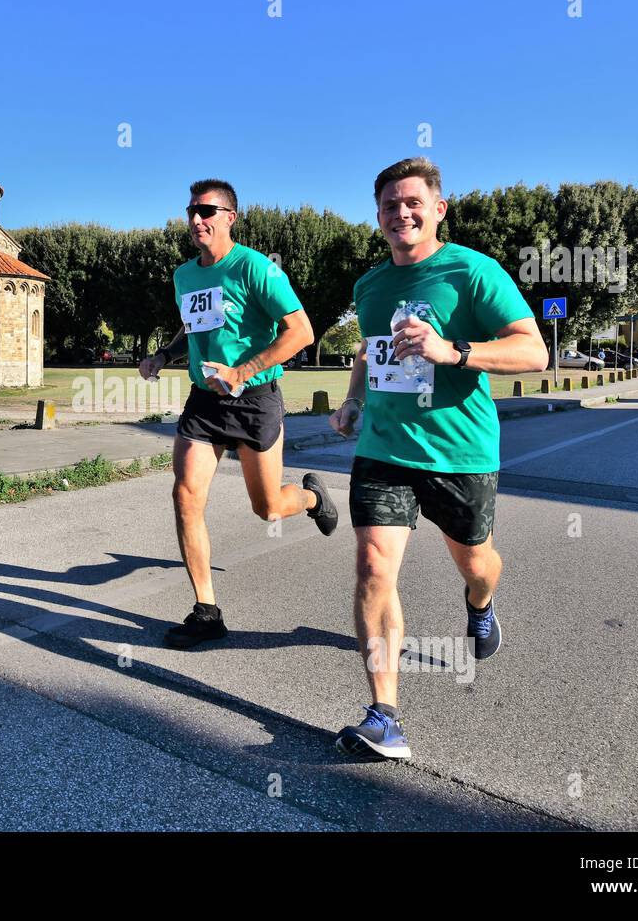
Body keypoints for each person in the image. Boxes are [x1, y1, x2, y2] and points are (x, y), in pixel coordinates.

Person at [329, 158, 548, 759]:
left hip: (459, 452)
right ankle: (384, 715)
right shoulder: (370, 285)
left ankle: (480, 603)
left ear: (438, 209)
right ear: (378, 217)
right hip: (384, 449)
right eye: (390, 205)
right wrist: (352, 403)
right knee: (374, 566)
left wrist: (454, 351)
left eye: (413, 202)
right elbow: (369, 351)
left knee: (476, 564)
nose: (402, 212)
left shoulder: (473, 271)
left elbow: (534, 353)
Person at [139, 178, 338, 649]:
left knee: (267, 507)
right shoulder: (184, 274)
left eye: (207, 211)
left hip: (254, 397)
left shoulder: (257, 270)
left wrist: (242, 370)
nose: (196, 220)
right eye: (190, 211)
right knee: (186, 495)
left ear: (230, 217)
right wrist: (163, 356)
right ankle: (207, 612)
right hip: (205, 402)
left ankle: (312, 498)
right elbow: (193, 327)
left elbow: (301, 332)